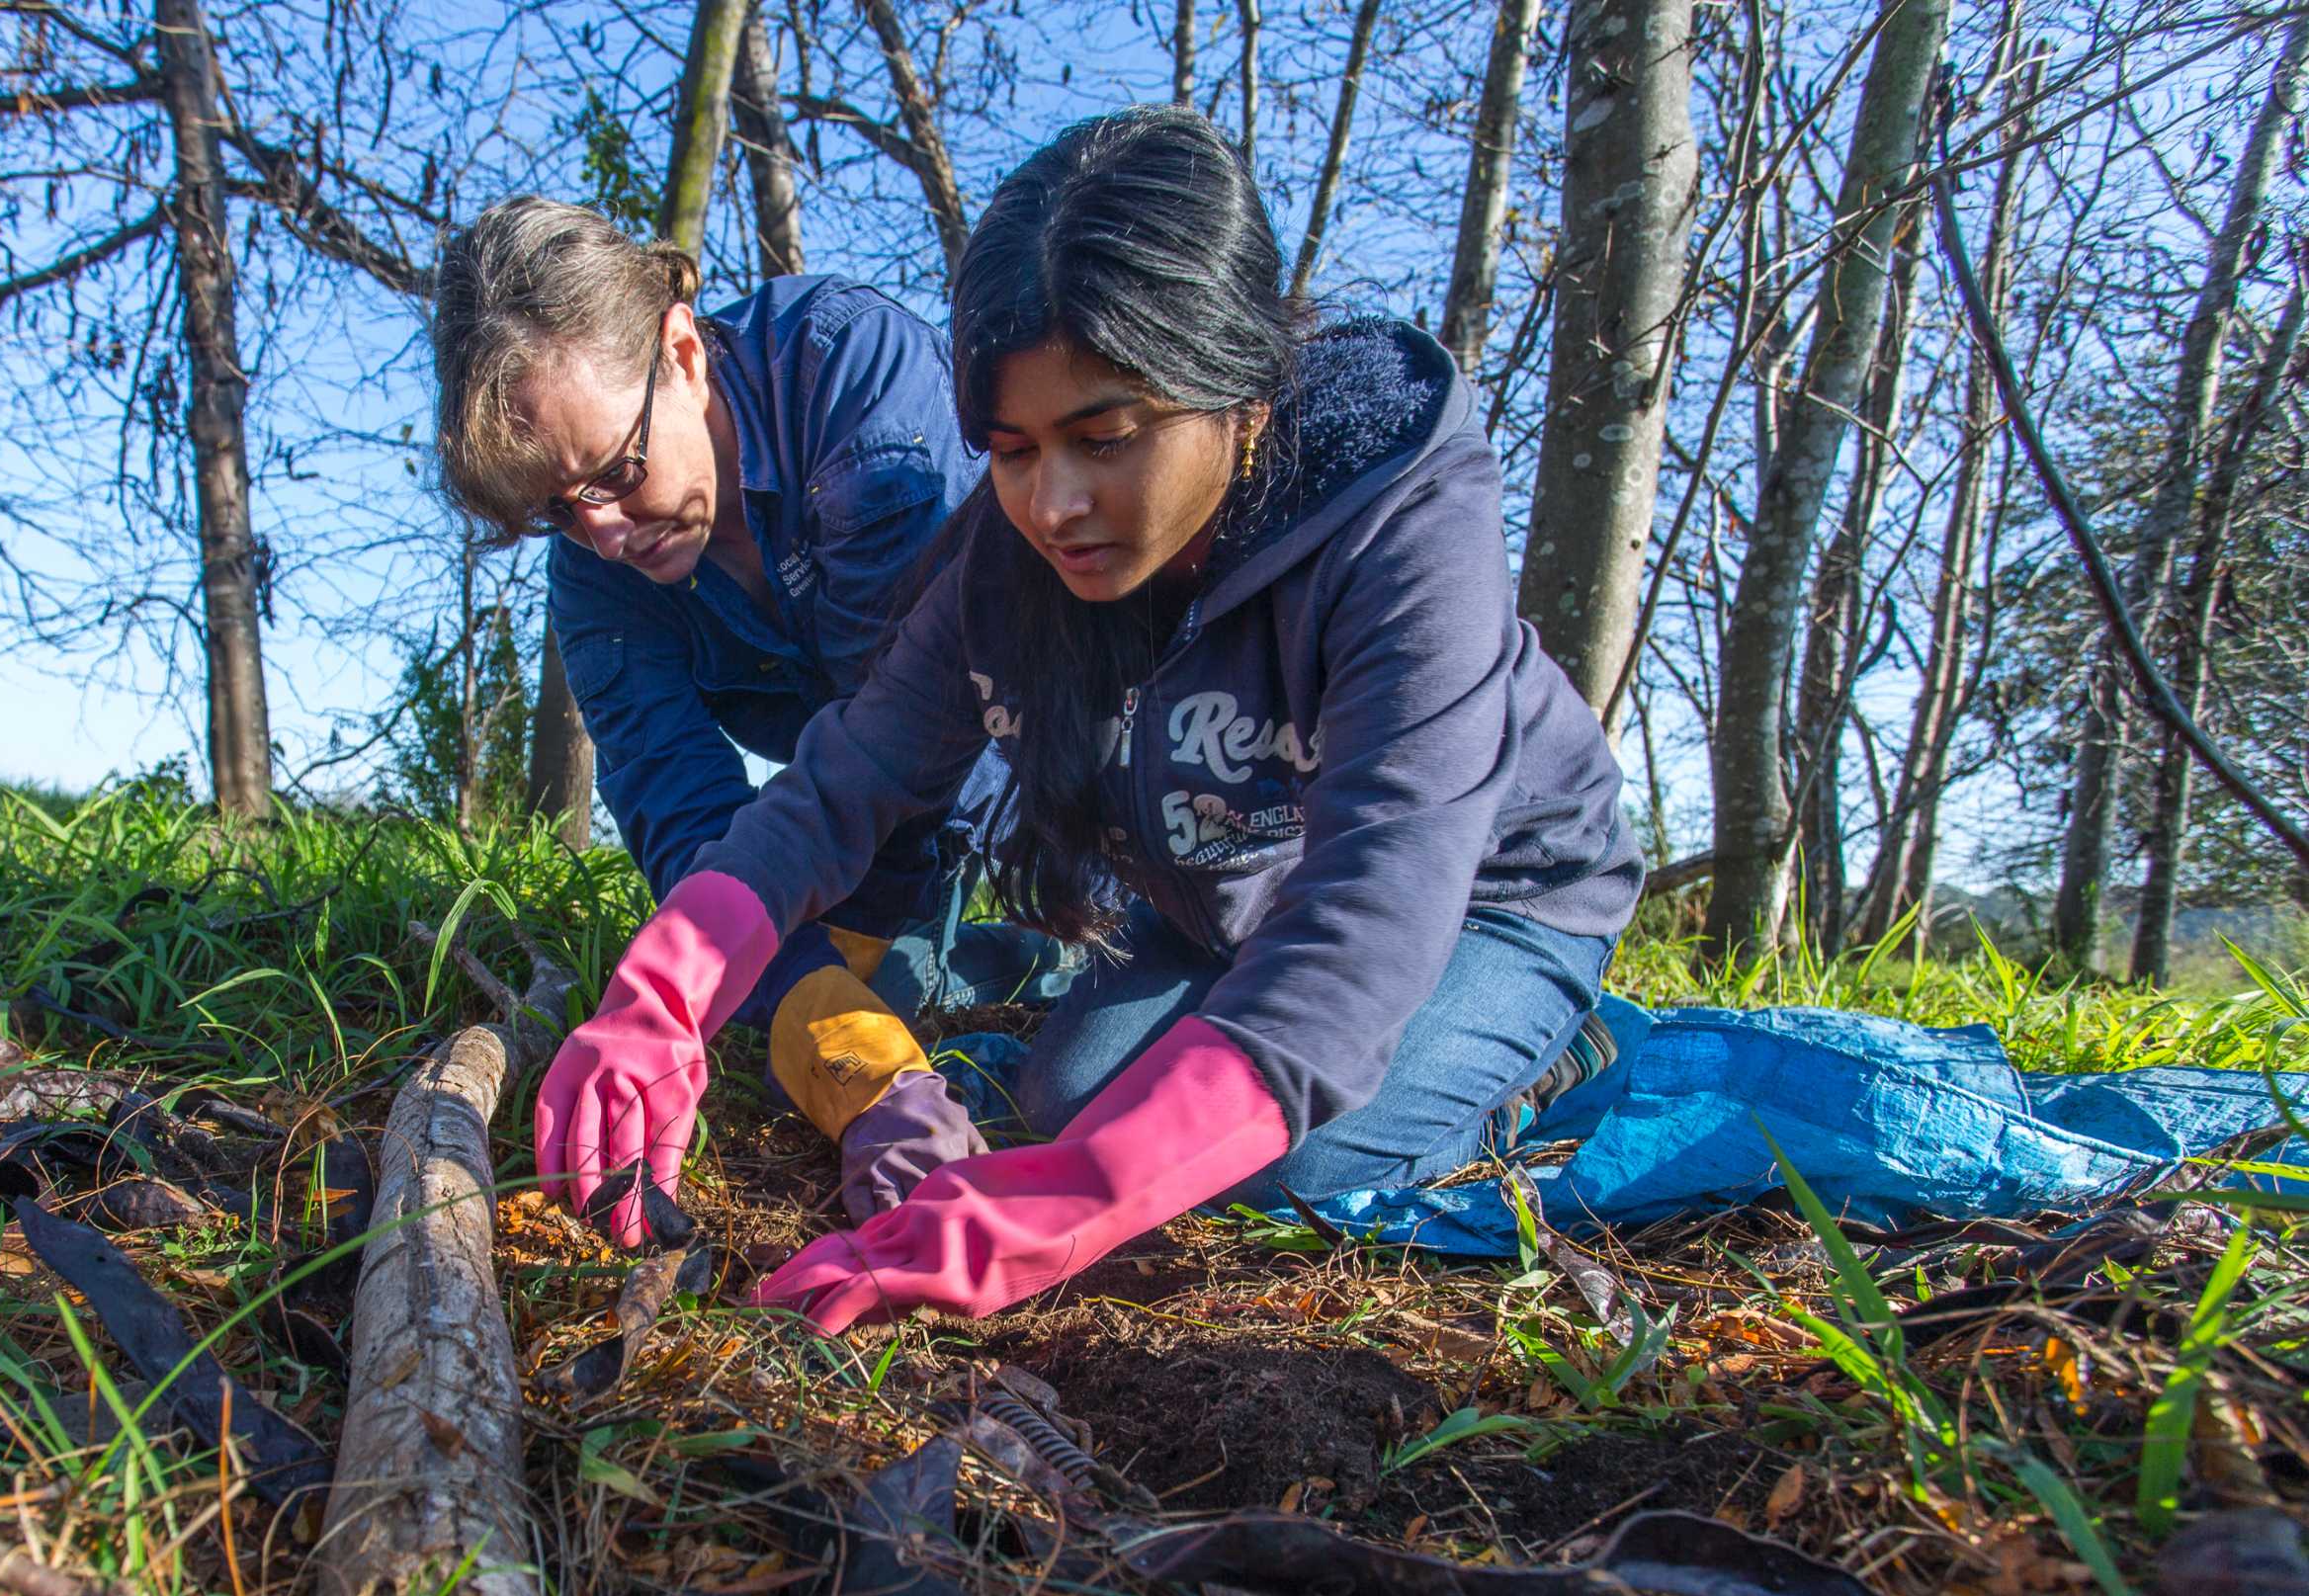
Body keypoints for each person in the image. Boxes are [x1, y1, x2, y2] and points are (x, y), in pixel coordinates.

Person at [532, 107, 1644, 1325]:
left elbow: (1374, 908)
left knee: (1293, 1157)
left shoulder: (1398, 523)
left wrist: (1074, 1202)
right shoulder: (1011, 557)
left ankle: (1546, 1053)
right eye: (1011, 450)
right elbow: (850, 776)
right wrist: (664, 989)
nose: (1054, 504)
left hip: (1489, 894)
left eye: (1104, 438)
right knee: (1068, 1109)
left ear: (1238, 389)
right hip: (1231, 899)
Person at [432, 198, 1065, 1224]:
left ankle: (1039, 948)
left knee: (1107, 1023)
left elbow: (898, 739)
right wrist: (857, 1064)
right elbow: (688, 823)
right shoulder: (596, 578)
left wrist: (824, 1022)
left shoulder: (853, 386)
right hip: (835, 832)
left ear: (682, 353)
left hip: (1048, 766)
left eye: (619, 471)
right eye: (557, 510)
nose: (605, 537)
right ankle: (958, 967)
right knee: (796, 1003)